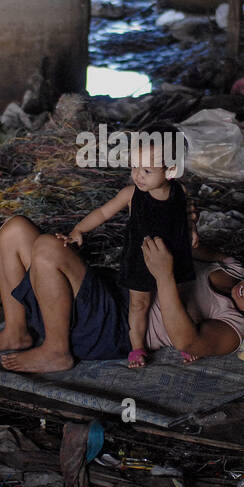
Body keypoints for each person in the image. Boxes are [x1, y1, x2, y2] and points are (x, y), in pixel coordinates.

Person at [0, 215, 244, 374]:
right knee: (14, 230)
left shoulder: (232, 328)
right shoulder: (235, 268)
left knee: (48, 251)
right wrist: (187, 234)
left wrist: (164, 276)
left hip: (112, 328)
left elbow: (187, 342)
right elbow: (197, 249)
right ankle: (17, 331)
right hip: (114, 289)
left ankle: (56, 349)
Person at [62, 131, 195, 368]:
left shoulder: (180, 193)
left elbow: (186, 216)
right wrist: (79, 230)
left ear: (171, 170)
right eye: (134, 166)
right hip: (139, 259)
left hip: (175, 257)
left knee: (176, 301)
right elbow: (103, 212)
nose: (137, 175)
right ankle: (137, 347)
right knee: (139, 304)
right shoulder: (132, 194)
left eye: (147, 171)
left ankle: (183, 341)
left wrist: (192, 231)